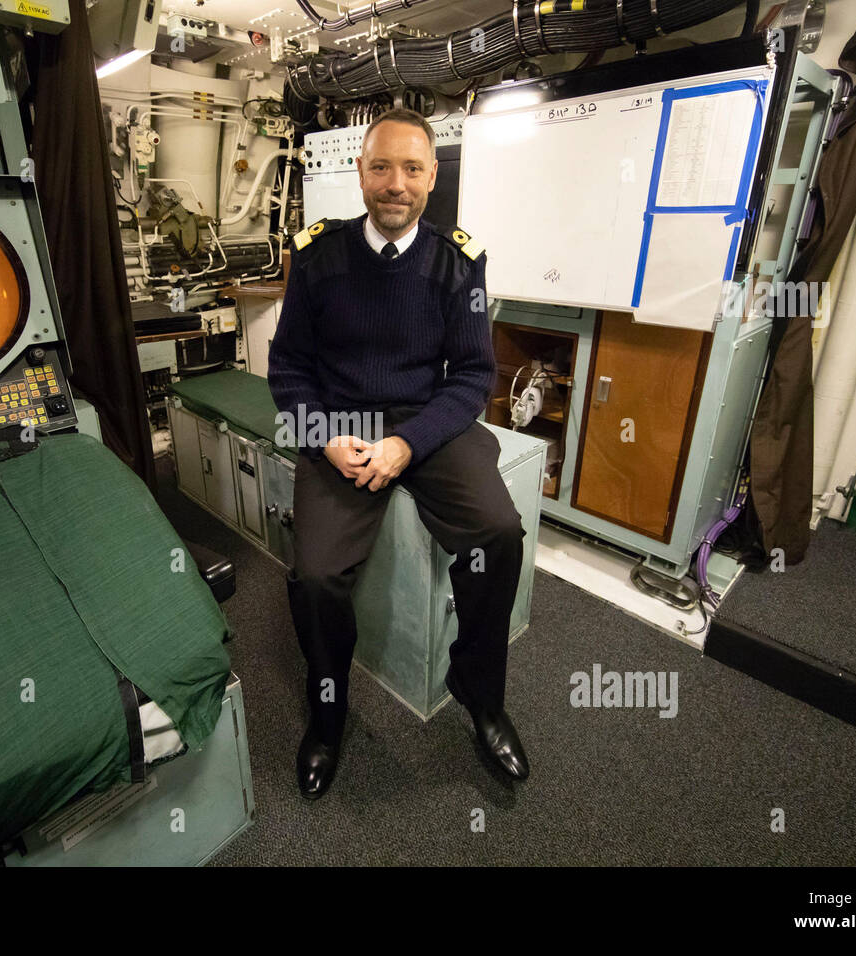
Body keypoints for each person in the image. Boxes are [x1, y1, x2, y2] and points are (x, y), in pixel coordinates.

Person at [267, 107, 530, 799]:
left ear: (432, 176)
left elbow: (474, 375)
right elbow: (288, 368)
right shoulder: (318, 255)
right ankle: (328, 715)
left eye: (412, 168)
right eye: (381, 166)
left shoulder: (458, 260)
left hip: (423, 419)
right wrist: (325, 436)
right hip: (339, 421)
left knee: (499, 532)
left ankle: (480, 692)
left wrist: (408, 443)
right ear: (360, 171)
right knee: (317, 575)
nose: (395, 183)